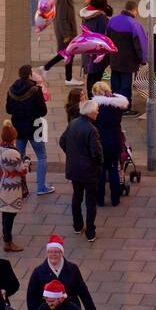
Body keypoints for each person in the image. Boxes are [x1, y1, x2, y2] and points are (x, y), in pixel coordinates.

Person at [58, 98, 103, 242]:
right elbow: (96, 153)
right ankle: (90, 231)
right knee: (90, 201)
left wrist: (72, 155)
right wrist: (98, 164)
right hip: (89, 172)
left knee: (77, 197)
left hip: (74, 169)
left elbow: (62, 141)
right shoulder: (91, 129)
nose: (98, 112)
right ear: (90, 113)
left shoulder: (73, 123)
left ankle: (77, 226)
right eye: (96, 110)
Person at [6, 64, 54, 197]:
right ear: (29, 74)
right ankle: (41, 187)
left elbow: (8, 110)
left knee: (19, 158)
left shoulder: (11, 90)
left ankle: (22, 188)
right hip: (35, 126)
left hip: (18, 128)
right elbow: (43, 111)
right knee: (41, 156)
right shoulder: (35, 90)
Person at [26, 235, 95, 310]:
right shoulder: (39, 272)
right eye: (50, 252)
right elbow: (32, 295)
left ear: (61, 252)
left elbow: (81, 289)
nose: (53, 255)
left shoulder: (72, 269)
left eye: (56, 252)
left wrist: (90, 308)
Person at [0, 123, 29, 252]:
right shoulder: (13, 153)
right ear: (13, 137)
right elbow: (22, 170)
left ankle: (5, 235)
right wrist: (27, 163)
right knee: (10, 215)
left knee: (5, 213)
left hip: (0, 187)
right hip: (10, 189)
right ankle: (8, 241)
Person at [90, 81, 129, 207]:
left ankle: (100, 199)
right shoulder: (117, 105)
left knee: (101, 171)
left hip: (100, 141)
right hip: (115, 140)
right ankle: (115, 199)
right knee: (113, 169)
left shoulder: (95, 107)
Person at [106, 0, 146, 102]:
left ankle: (114, 103)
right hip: (128, 61)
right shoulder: (135, 25)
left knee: (115, 81)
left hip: (114, 58)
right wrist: (143, 60)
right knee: (125, 84)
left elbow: (107, 38)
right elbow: (140, 45)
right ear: (135, 10)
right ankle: (124, 107)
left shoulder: (112, 20)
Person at [43, 0, 79, 85]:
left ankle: (47, 68)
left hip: (66, 30)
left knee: (67, 53)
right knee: (67, 53)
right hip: (66, 32)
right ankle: (67, 78)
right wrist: (67, 35)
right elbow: (61, 18)